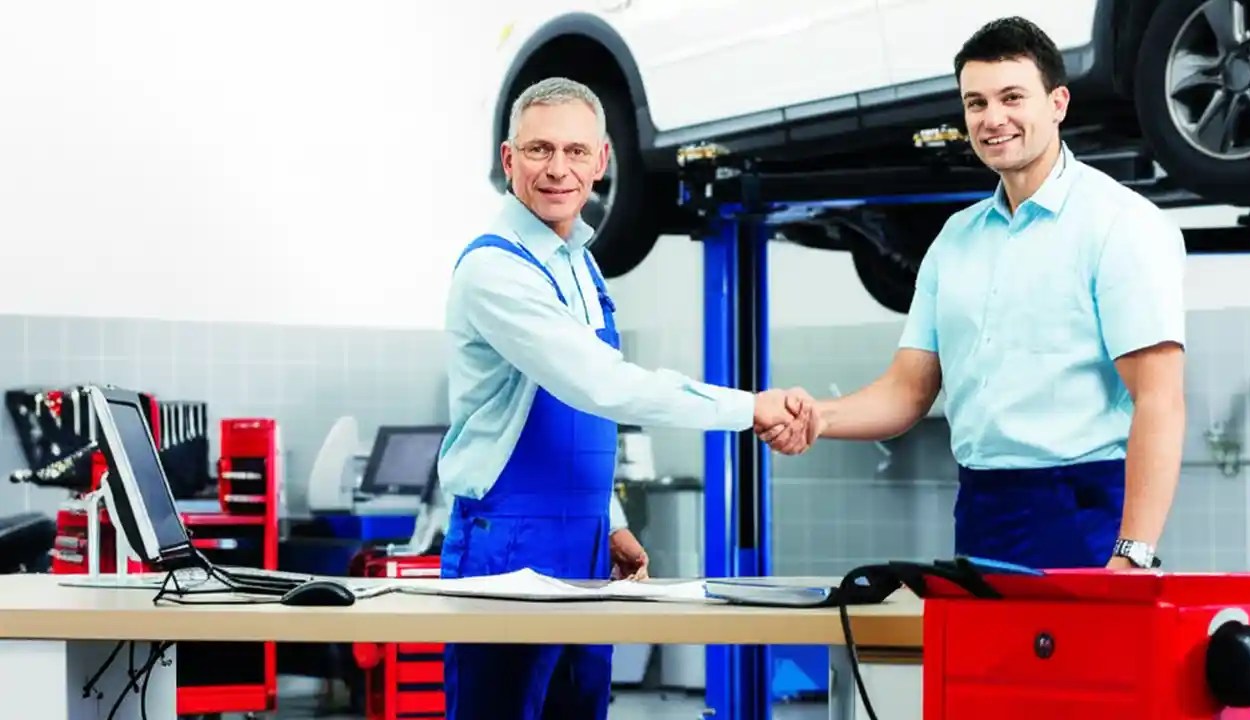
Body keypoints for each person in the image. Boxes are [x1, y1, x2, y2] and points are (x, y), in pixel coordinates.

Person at [437, 76, 813, 720]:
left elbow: (572, 405)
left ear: (602, 161)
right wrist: (749, 408)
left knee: (580, 709)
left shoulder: (578, 261)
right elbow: (603, 383)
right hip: (507, 544)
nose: (559, 170)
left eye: (578, 152)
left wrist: (605, 518)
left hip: (582, 540)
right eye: (539, 150)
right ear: (508, 160)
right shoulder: (494, 269)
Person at [767, 17, 1187, 571]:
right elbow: (907, 392)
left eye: (1012, 97)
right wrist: (818, 416)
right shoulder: (956, 239)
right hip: (982, 507)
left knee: (1082, 663)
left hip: (1085, 512)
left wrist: (1133, 555)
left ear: (1057, 102)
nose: (993, 119)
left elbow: (1160, 400)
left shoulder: (1120, 225)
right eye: (976, 103)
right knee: (980, 663)